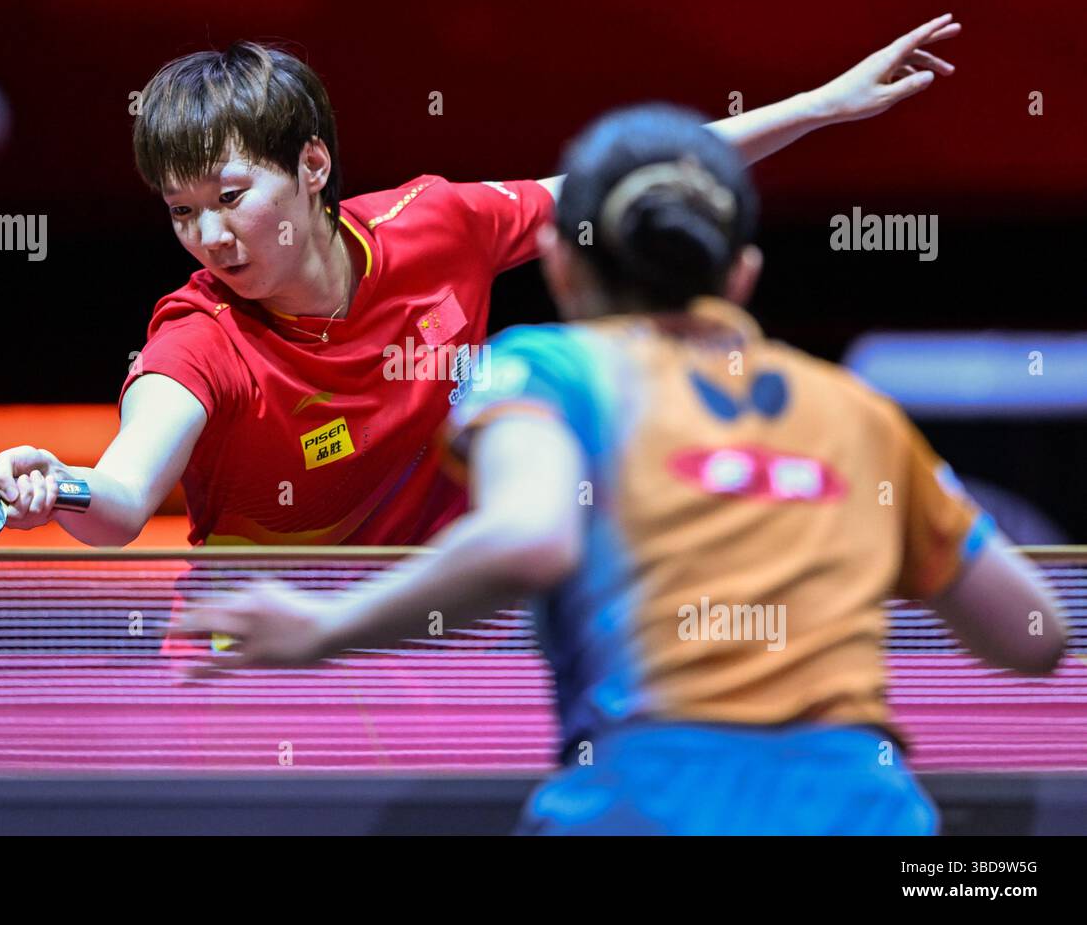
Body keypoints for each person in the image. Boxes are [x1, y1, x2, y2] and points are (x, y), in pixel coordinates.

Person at [176, 103, 1067, 835]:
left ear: (559, 266)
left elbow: (527, 538)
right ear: (744, 273)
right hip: (872, 818)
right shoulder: (860, 412)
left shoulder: (547, 370)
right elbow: (1035, 635)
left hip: (641, 809)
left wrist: (320, 628)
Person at [0, 15, 962, 547]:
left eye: (230, 196)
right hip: (260, 652)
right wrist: (58, 486)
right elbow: (122, 500)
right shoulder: (198, 339)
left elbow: (630, 177)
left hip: (440, 643)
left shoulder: (437, 224)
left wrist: (826, 106)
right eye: (177, 209)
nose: (205, 235)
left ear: (313, 168)